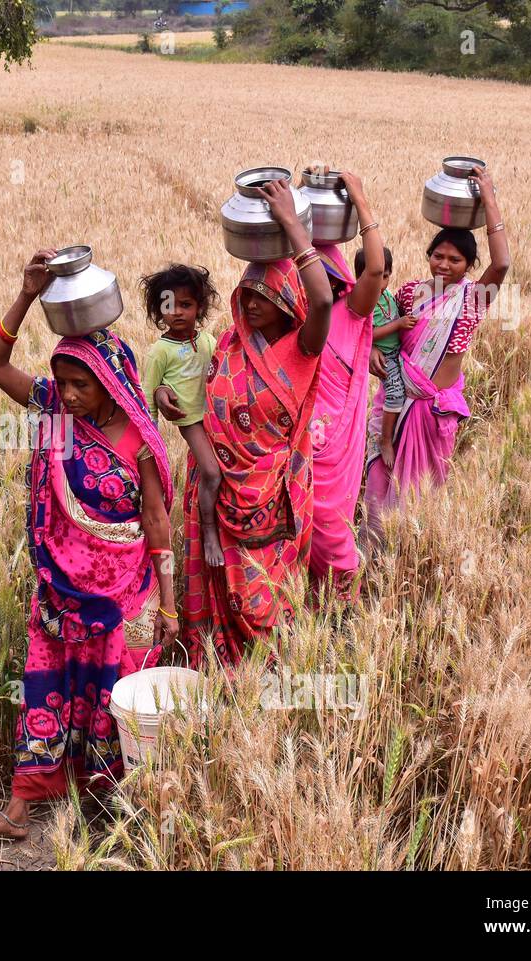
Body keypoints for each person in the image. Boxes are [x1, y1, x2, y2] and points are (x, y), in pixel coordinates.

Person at [0, 249, 176, 839]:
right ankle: (21, 808)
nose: (69, 394)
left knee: (112, 697)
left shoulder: (140, 438)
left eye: (80, 384)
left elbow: (157, 520)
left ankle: (111, 812)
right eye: (61, 383)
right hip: (60, 594)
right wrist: (28, 294)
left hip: (123, 594)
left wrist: (166, 599)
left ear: (110, 381)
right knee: (47, 689)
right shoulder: (55, 415)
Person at [181, 179, 334, 668]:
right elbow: (197, 400)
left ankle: (272, 691)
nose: (250, 302)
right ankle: (223, 688)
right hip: (219, 498)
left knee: (266, 605)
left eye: (263, 295)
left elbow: (326, 301)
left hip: (275, 501)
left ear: (288, 299)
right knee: (222, 595)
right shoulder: (227, 343)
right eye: (247, 292)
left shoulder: (302, 349)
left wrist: (292, 224)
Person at [363, 166, 511, 532]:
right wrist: (368, 351)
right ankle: (376, 554)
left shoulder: (473, 300)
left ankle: (415, 555)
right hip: (395, 404)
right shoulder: (410, 292)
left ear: (470, 266)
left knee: (422, 496)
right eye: (438, 256)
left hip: (431, 413)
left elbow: (503, 262)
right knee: (382, 486)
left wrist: (489, 197)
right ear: (428, 255)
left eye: (455, 260)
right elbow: (367, 321)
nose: (444, 264)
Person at [304, 172, 388, 599]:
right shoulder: (295, 317)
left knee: (333, 530)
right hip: (298, 443)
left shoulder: (353, 309)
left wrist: (358, 197)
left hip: (334, 449)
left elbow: (375, 267)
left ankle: (344, 607)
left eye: (322, 272)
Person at [139, 263, 222, 564]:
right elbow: (147, 394)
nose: (176, 312)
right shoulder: (160, 351)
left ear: (199, 308)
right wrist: (151, 440)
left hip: (217, 416)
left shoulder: (207, 342)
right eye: (168, 306)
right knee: (212, 473)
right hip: (191, 420)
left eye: (185, 305)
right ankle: (209, 531)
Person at [362, 247, 416, 470]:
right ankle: (385, 440)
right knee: (395, 394)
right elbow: (367, 334)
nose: (381, 282)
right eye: (374, 276)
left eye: (385, 276)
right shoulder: (365, 302)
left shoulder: (385, 296)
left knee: (406, 393)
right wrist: (399, 324)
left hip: (398, 353)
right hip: (387, 358)